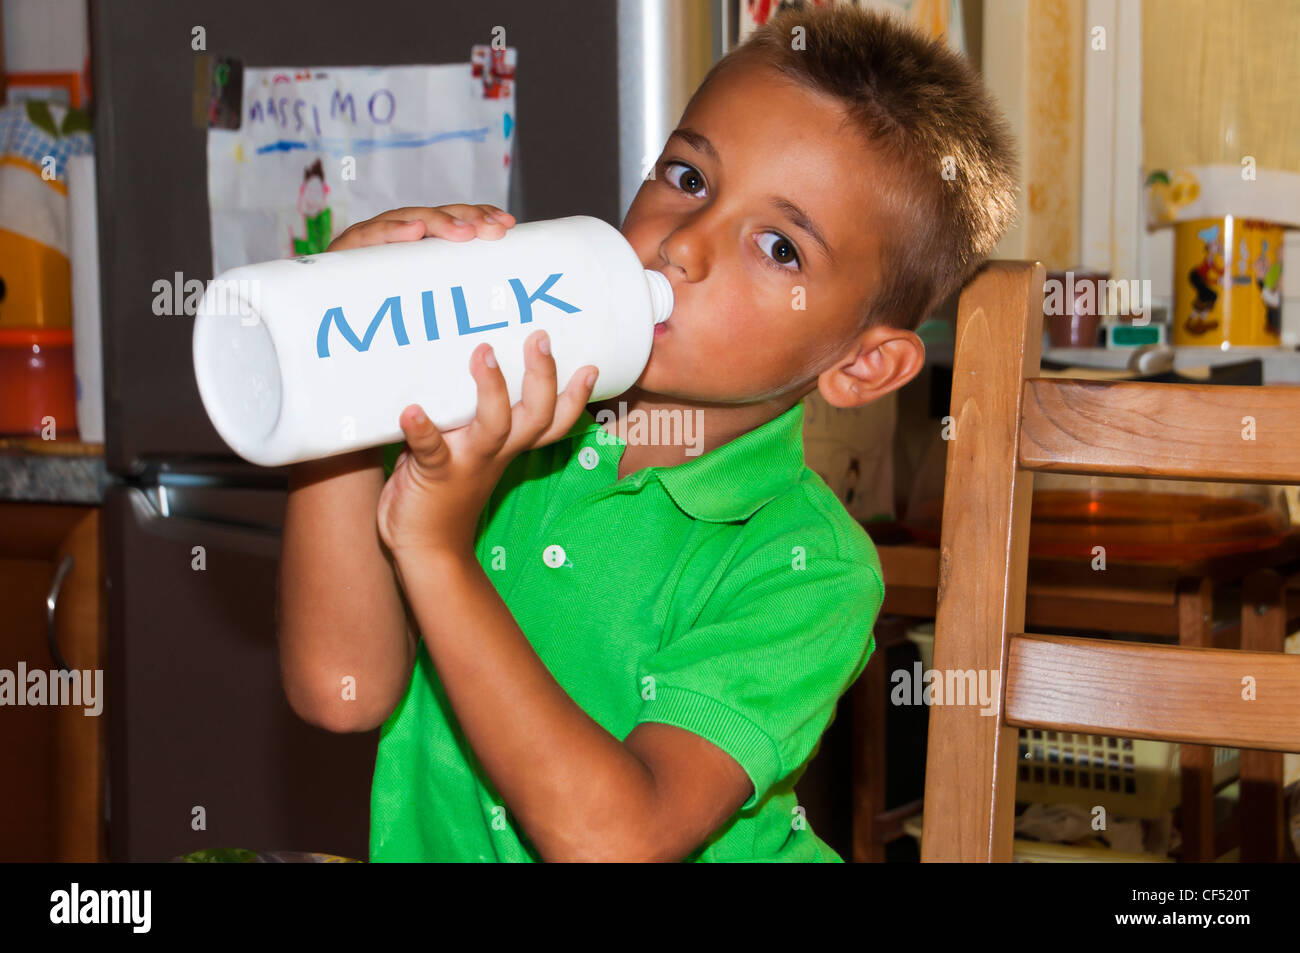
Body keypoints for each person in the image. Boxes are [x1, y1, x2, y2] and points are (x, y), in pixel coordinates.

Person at [277, 0, 1018, 862]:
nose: (686, 246)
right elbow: (343, 691)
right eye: (690, 178)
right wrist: (339, 364)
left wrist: (437, 549)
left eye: (779, 246)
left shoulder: (806, 567)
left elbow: (616, 840)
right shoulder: (493, 408)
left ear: (860, 364)